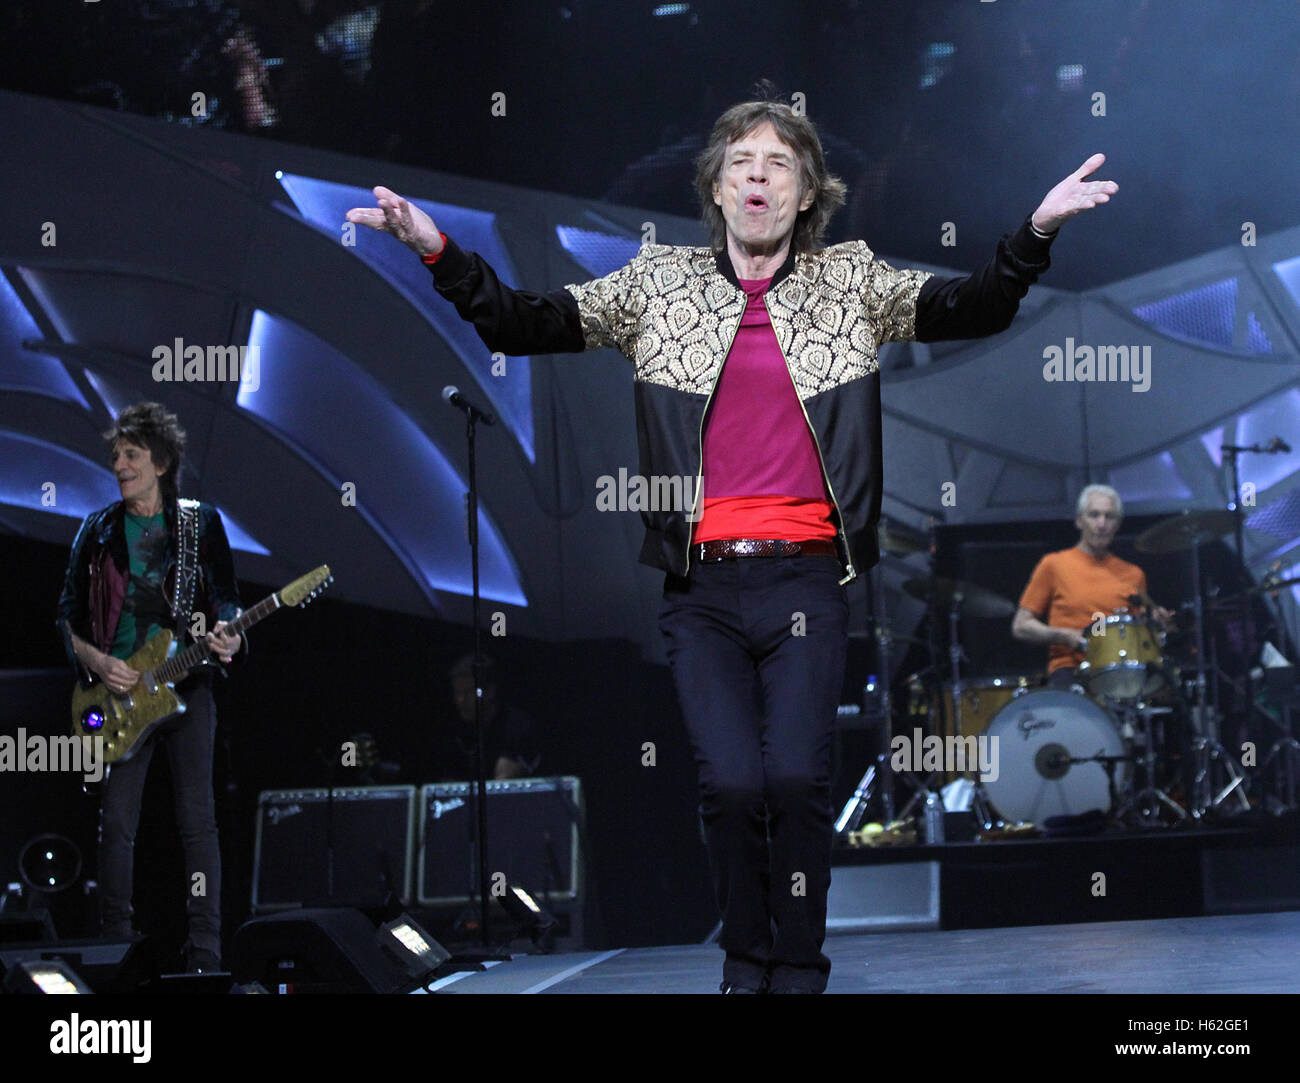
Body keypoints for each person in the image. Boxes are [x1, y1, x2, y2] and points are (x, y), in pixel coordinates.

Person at [347, 97, 1116, 993]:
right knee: (733, 787)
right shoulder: (659, 285)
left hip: (805, 579)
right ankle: (746, 961)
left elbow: (974, 305)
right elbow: (523, 321)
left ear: (806, 195)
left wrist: (1036, 229)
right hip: (701, 588)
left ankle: (798, 963)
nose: (758, 174)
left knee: (792, 777)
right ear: (716, 187)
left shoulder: (849, 284)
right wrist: (435, 249)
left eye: (779, 163)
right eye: (741, 161)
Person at [56, 402, 243, 974]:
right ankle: (114, 946)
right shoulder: (97, 529)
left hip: (187, 682)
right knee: (117, 825)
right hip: (116, 698)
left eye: (131, 454)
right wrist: (97, 661)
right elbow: (66, 618)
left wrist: (233, 636)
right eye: (115, 455)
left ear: (161, 461)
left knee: (198, 821)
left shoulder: (199, 523)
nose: (119, 464)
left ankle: (206, 953)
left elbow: (226, 600)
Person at [1013, 483, 1173, 687]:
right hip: (1071, 669)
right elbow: (1021, 626)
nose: (1101, 523)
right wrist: (1064, 635)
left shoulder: (1133, 574)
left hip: (1120, 672)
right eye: (1094, 515)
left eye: (1109, 516)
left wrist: (1157, 624)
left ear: (1117, 524)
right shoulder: (1053, 565)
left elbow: (1139, 634)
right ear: (1079, 521)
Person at [432, 654, 540, 782]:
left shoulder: (516, 726)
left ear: (490, 691)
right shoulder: (452, 729)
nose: (461, 700)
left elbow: (503, 782)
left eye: (468, 692)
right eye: (457, 693)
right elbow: (447, 785)